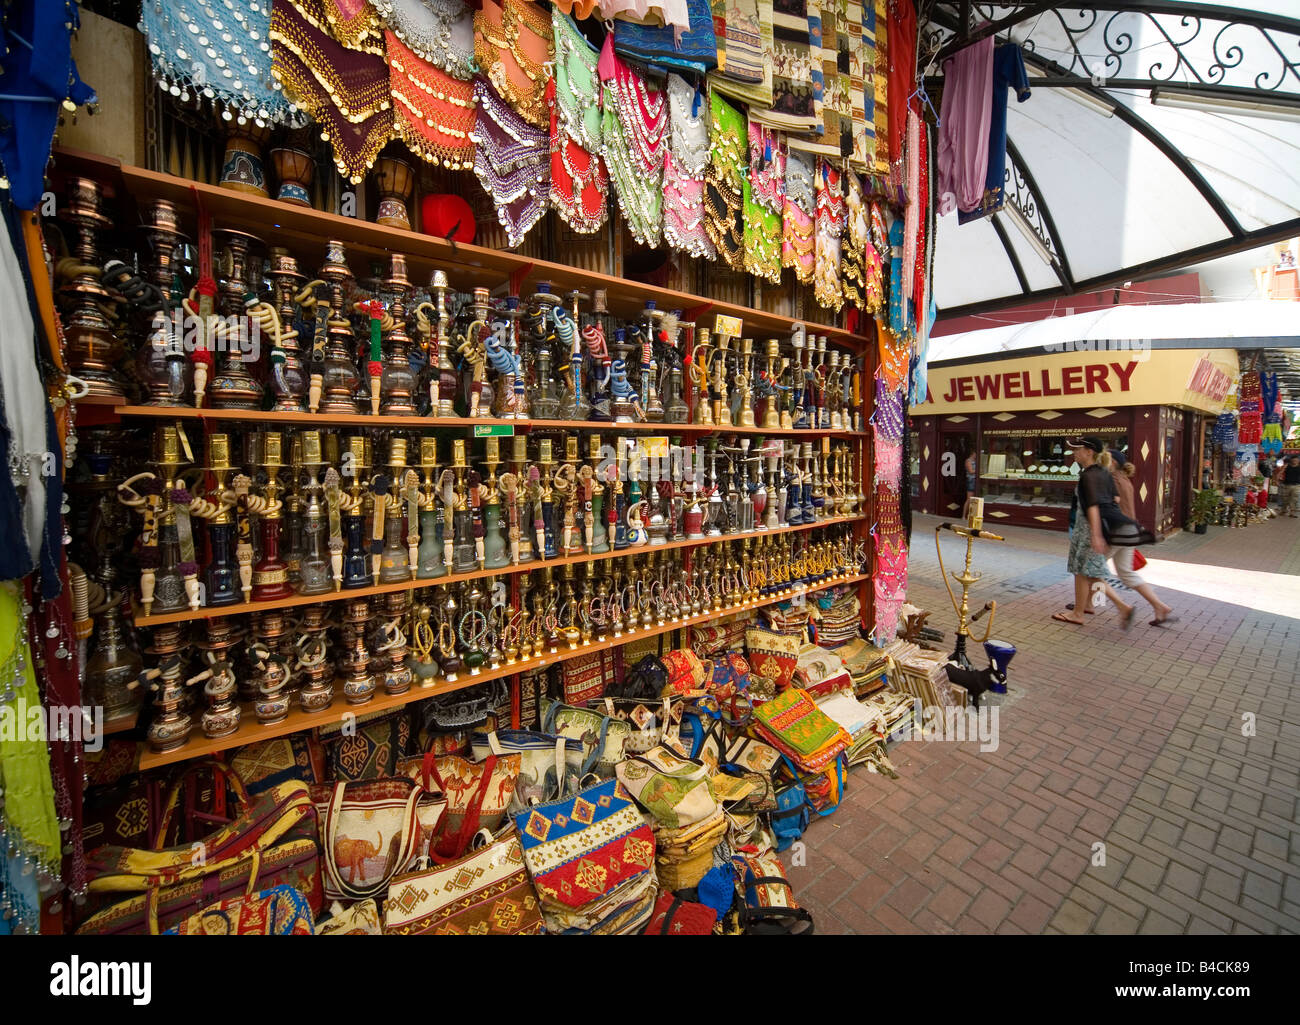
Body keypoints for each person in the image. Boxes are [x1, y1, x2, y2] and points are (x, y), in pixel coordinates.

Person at [1106, 456, 1177, 627]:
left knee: (1091, 569)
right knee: (1126, 573)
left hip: (1118, 531)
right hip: (1130, 531)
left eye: (1105, 458)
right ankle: (1160, 606)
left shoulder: (1113, 480)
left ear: (1113, 462)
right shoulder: (1124, 479)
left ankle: (1096, 605)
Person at [1052, 437, 1114, 627]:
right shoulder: (1100, 472)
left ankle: (1083, 612)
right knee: (1088, 571)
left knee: (1085, 571)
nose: (1074, 452)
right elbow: (1113, 500)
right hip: (1087, 528)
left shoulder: (1091, 475)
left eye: (1077, 449)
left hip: (1087, 530)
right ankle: (1086, 606)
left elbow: (1094, 506)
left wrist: (1096, 534)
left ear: (1089, 451)